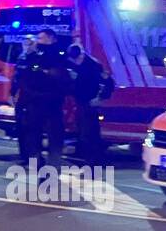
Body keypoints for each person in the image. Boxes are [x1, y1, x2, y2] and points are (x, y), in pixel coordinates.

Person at [13, 29, 73, 169]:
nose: (37, 41)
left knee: (54, 135)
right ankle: (38, 163)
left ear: (50, 38)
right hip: (35, 100)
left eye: (40, 38)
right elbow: (24, 73)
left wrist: (42, 71)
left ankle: (53, 164)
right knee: (34, 134)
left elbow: (63, 77)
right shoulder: (33, 55)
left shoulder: (59, 54)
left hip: (52, 101)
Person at [67, 43, 109, 162]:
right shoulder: (74, 64)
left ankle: (94, 159)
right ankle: (87, 156)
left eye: (78, 59)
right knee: (82, 131)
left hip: (91, 103)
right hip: (80, 102)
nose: (76, 61)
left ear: (82, 54)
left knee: (89, 132)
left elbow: (107, 83)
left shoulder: (93, 65)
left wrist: (100, 98)